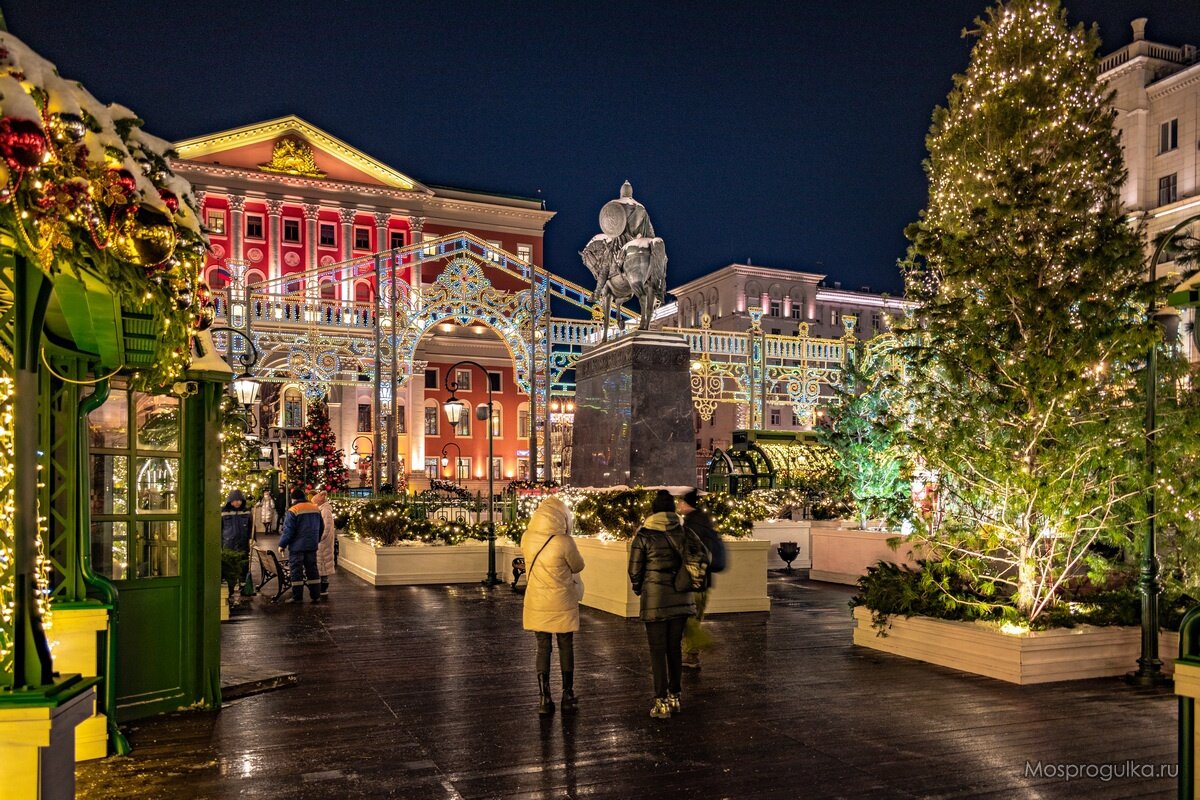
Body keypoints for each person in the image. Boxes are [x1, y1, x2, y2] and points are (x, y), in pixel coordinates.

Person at [628, 489, 696, 719]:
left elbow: (634, 570)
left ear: (654, 510)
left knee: (657, 651)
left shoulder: (644, 535)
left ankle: (661, 701)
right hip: (681, 597)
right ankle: (676, 696)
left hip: (655, 598)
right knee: (674, 648)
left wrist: (640, 589)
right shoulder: (684, 532)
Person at [521, 495, 585, 716]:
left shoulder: (527, 537)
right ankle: (567, 694)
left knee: (543, 647)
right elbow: (578, 565)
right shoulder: (564, 541)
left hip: (537, 600)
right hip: (562, 600)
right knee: (565, 644)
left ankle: (544, 697)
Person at [677, 488, 726, 669]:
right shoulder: (705, 523)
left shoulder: (691, 526)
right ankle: (692, 653)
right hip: (704, 579)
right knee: (694, 616)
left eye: (681, 502)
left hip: (692, 579)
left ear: (686, 504)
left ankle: (699, 647)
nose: (678, 505)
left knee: (689, 618)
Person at [279, 487, 324, 603]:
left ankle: (297, 597)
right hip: (311, 545)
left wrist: (282, 544)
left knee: (296, 571)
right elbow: (321, 527)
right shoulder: (315, 508)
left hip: (297, 547)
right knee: (312, 570)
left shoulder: (293, 510)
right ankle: (315, 596)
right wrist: (316, 540)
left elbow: (288, 531)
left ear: (293, 499)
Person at [220, 489, 253, 595]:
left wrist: (252, 538)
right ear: (230, 501)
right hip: (229, 544)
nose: (237, 502)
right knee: (230, 567)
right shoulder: (224, 511)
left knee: (243, 566)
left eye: (239, 500)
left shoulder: (246, 511)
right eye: (235, 500)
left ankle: (244, 587)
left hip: (243, 544)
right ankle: (230, 588)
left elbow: (251, 528)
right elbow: (219, 528)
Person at [312, 490, 336, 596]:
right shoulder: (322, 509)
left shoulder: (325, 511)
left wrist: (319, 538)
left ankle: (324, 587)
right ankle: (322, 586)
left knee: (323, 563)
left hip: (323, 542)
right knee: (322, 563)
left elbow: (326, 527)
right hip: (322, 541)